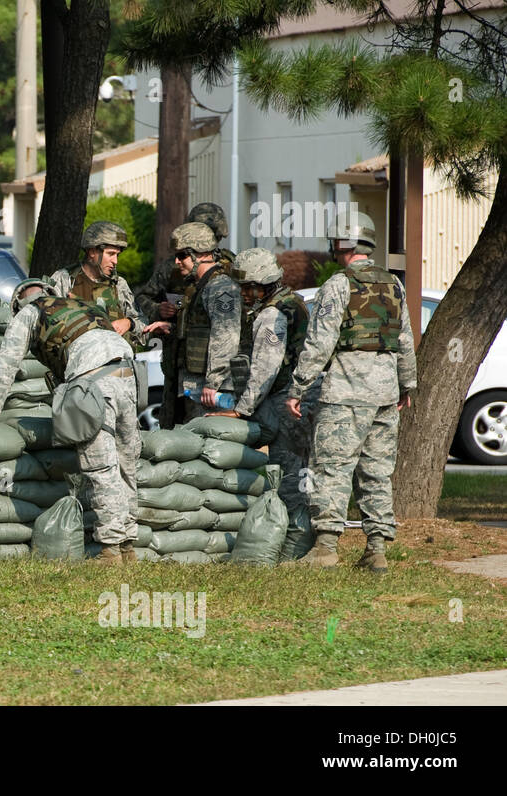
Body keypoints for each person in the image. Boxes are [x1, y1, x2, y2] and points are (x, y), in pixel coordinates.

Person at [0, 278, 140, 564]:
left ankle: (111, 551)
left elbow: (7, 364)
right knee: (127, 461)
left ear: (18, 304)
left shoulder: (29, 313)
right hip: (128, 371)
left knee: (101, 465)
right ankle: (128, 546)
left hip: (93, 379)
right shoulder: (81, 305)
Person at [286, 211, 416, 573]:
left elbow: (320, 342)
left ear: (343, 244)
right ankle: (377, 550)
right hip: (385, 394)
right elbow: (404, 339)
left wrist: (298, 387)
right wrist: (408, 385)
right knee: (376, 473)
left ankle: (326, 549)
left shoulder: (338, 285)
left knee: (331, 469)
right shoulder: (394, 284)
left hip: (345, 393)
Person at [211, 248, 315, 555]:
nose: (242, 293)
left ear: (260, 285)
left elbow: (265, 369)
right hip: (296, 399)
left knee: (287, 473)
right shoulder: (291, 302)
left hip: (287, 402)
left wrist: (241, 410)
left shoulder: (272, 314)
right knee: (294, 471)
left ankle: (291, 546)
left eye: (245, 287)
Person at [147, 222, 243, 424]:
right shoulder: (198, 287)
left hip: (213, 389)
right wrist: (170, 327)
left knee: (213, 446)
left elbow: (226, 336)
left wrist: (214, 381)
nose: (177, 261)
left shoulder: (220, 287)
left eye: (182, 255)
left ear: (200, 254)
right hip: (196, 385)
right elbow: (199, 329)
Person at [48, 221, 145, 344]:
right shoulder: (64, 279)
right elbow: (44, 322)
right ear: (92, 252)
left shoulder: (119, 284)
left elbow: (143, 325)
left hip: (116, 359)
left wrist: (129, 323)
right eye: (111, 254)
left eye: (117, 255)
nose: (115, 261)